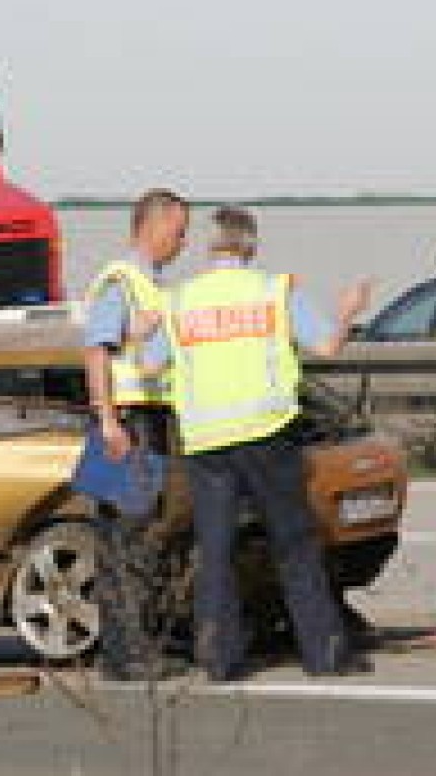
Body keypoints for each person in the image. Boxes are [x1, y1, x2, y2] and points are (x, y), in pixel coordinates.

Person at [143, 205, 371, 681]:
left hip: (207, 443)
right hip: (268, 437)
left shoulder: (181, 300)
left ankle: (221, 660)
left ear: (209, 248)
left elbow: (148, 366)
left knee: (216, 550)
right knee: (295, 544)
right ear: (251, 246)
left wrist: (142, 331)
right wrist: (348, 310)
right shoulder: (274, 291)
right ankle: (323, 654)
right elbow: (327, 345)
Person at [79, 187, 191, 681]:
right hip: (127, 422)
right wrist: (107, 420)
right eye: (179, 231)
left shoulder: (154, 284)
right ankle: (128, 654)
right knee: (130, 539)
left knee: (141, 535)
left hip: (148, 418)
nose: (183, 241)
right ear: (153, 224)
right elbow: (97, 350)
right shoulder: (121, 281)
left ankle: (132, 648)